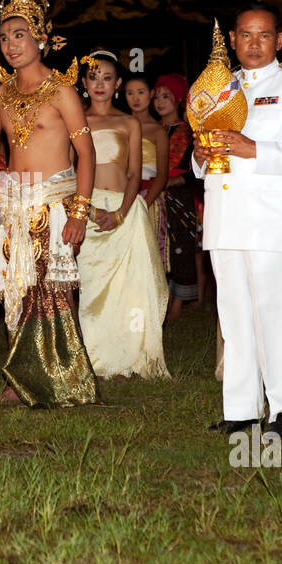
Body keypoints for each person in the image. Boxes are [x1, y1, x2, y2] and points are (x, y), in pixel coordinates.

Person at [192, 7, 282, 436]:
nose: (254, 43)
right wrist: (199, 158)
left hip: (267, 217)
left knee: (274, 312)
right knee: (233, 316)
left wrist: (256, 150)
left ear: (280, 40)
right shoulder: (217, 85)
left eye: (264, 35)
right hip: (223, 216)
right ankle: (241, 410)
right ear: (231, 38)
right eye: (246, 35)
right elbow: (206, 150)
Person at [0, 0, 98, 408]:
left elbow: (86, 151)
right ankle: (18, 380)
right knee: (16, 287)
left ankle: (68, 377)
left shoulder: (62, 91)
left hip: (55, 201)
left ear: (41, 37)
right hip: (14, 203)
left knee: (56, 288)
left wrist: (79, 212)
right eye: (3, 37)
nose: (10, 44)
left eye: (19, 35)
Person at [76, 51, 170, 379]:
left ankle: (125, 359)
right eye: (93, 77)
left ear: (117, 84)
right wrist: (86, 209)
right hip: (85, 210)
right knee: (90, 288)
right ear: (84, 82)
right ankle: (93, 357)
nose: (99, 84)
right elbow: (67, 173)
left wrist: (120, 212)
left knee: (129, 289)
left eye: (106, 78)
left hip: (124, 209)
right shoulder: (74, 121)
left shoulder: (128, 122)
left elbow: (134, 174)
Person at [151, 74, 199, 318]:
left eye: (166, 96)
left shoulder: (189, 131)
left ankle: (178, 303)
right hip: (151, 193)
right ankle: (161, 296)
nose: (160, 102)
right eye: (156, 96)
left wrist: (173, 180)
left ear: (178, 99)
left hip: (178, 194)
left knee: (181, 246)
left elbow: (197, 170)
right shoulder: (148, 128)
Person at [125, 74, 170, 276]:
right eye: (130, 93)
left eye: (141, 92)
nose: (135, 98)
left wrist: (145, 202)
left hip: (147, 198)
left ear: (151, 94)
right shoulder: (119, 124)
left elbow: (162, 175)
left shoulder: (158, 131)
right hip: (122, 196)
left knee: (147, 259)